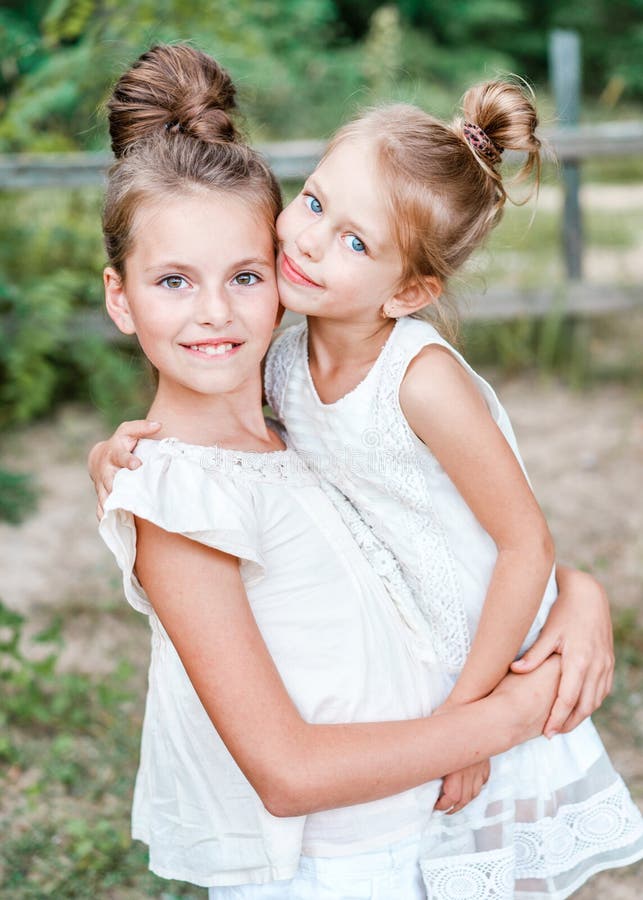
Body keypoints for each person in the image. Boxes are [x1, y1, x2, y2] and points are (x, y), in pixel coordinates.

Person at [89, 45, 638, 898]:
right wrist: (504, 718)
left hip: (443, 761)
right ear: (120, 297)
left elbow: (481, 539)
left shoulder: (358, 394)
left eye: (245, 275)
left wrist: (575, 597)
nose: (216, 311)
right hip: (348, 843)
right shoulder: (225, 433)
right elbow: (286, 769)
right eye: (171, 280)